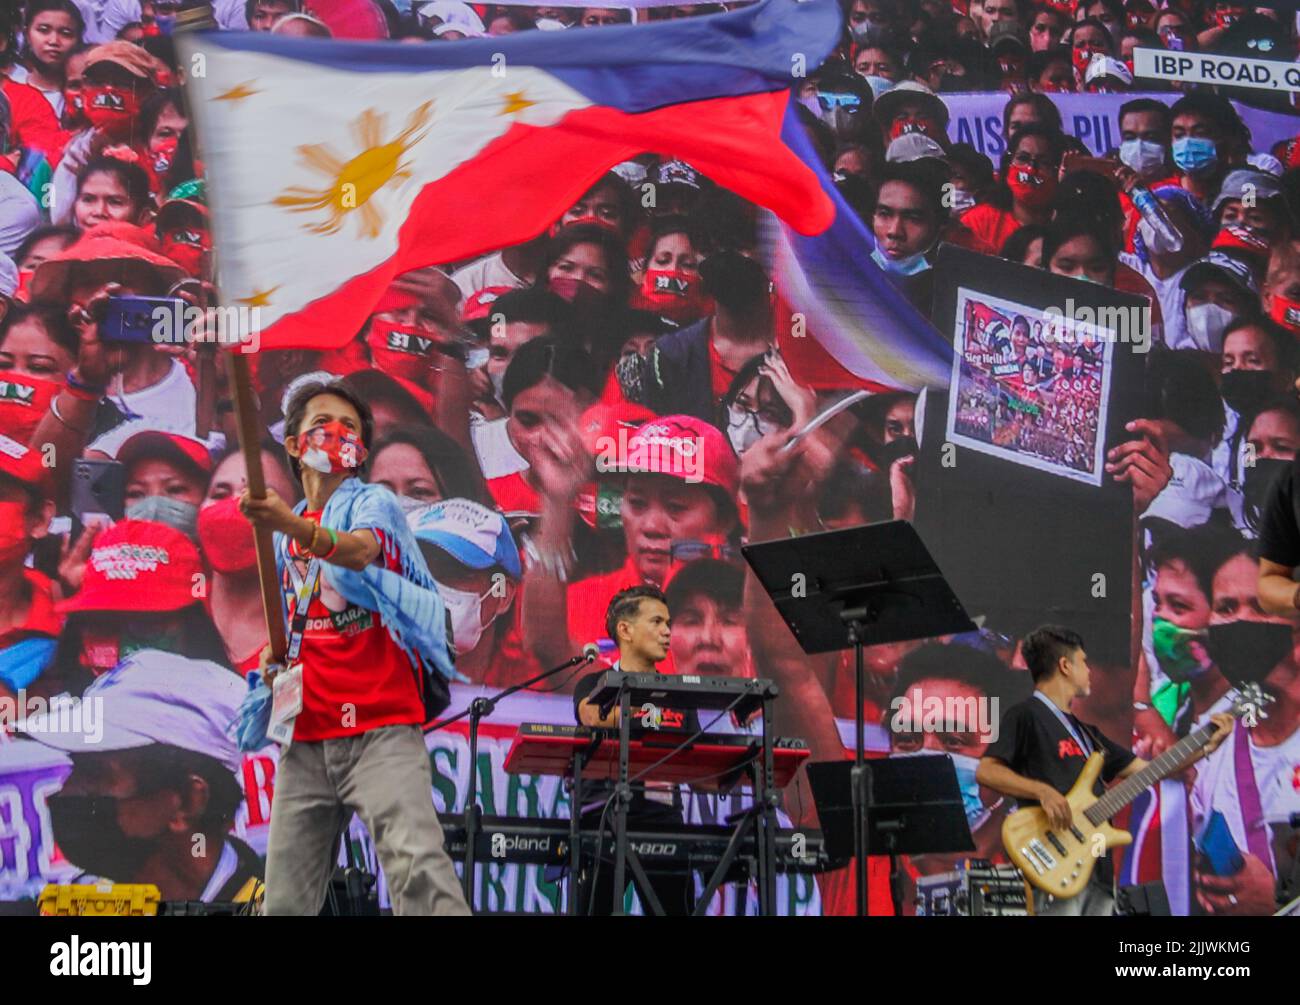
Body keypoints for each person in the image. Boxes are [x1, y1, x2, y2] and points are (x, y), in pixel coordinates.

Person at [238, 377, 469, 916]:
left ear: (360, 451)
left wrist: (292, 524)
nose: (335, 433)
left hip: (380, 732)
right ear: (294, 445)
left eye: (348, 427)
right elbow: (298, 618)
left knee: (420, 875)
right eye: (321, 423)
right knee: (286, 902)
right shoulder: (278, 532)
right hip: (307, 739)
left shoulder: (376, 504)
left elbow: (361, 553)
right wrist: (277, 661)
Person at [977, 625, 1232, 915]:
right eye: (1083, 662)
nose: (1088, 671)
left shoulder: (1089, 735)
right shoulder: (1025, 716)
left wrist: (1207, 745)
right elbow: (987, 771)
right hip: (1042, 851)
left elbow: (1149, 770)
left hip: (1090, 868)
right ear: (1064, 667)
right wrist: (1041, 791)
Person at [19, 650, 263, 903]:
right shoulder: (78, 903)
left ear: (189, 801)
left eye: (96, 774)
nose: (65, 791)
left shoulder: (284, 904)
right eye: (76, 769)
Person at [570, 584, 696, 915]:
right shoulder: (593, 683)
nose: (667, 632)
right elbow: (591, 714)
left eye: (668, 623)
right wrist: (650, 716)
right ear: (625, 630)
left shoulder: (681, 694)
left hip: (664, 823)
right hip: (601, 821)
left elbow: (701, 766)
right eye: (656, 622)